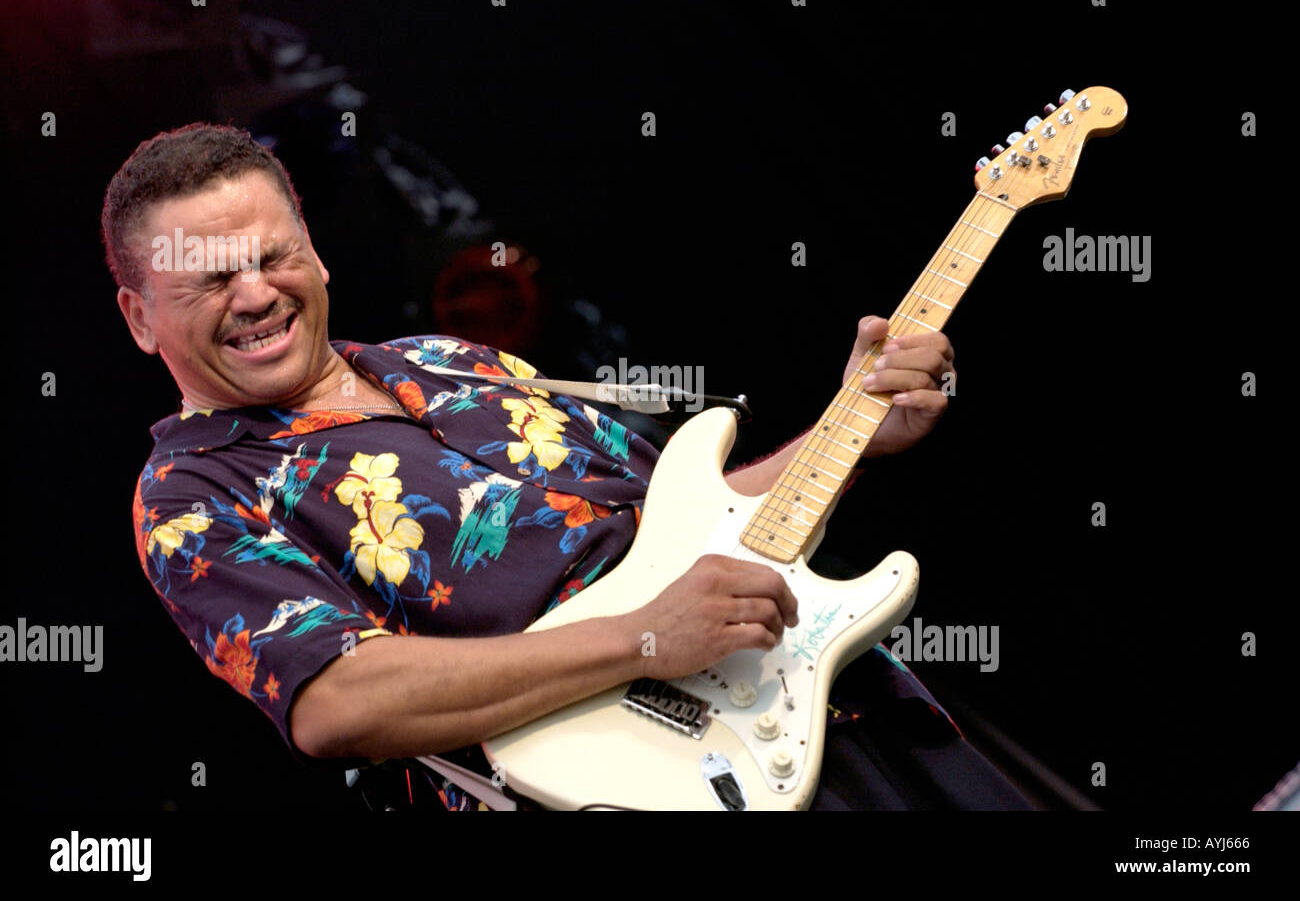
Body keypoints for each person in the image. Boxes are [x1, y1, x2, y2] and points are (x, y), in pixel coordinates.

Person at [108, 123, 1030, 809]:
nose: (256, 293)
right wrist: (645, 638)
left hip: (821, 700)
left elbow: (686, 528)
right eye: (212, 277)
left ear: (313, 251)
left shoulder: (450, 359)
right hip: (634, 784)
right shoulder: (190, 495)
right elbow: (338, 702)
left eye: (272, 255)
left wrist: (853, 429)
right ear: (141, 317)